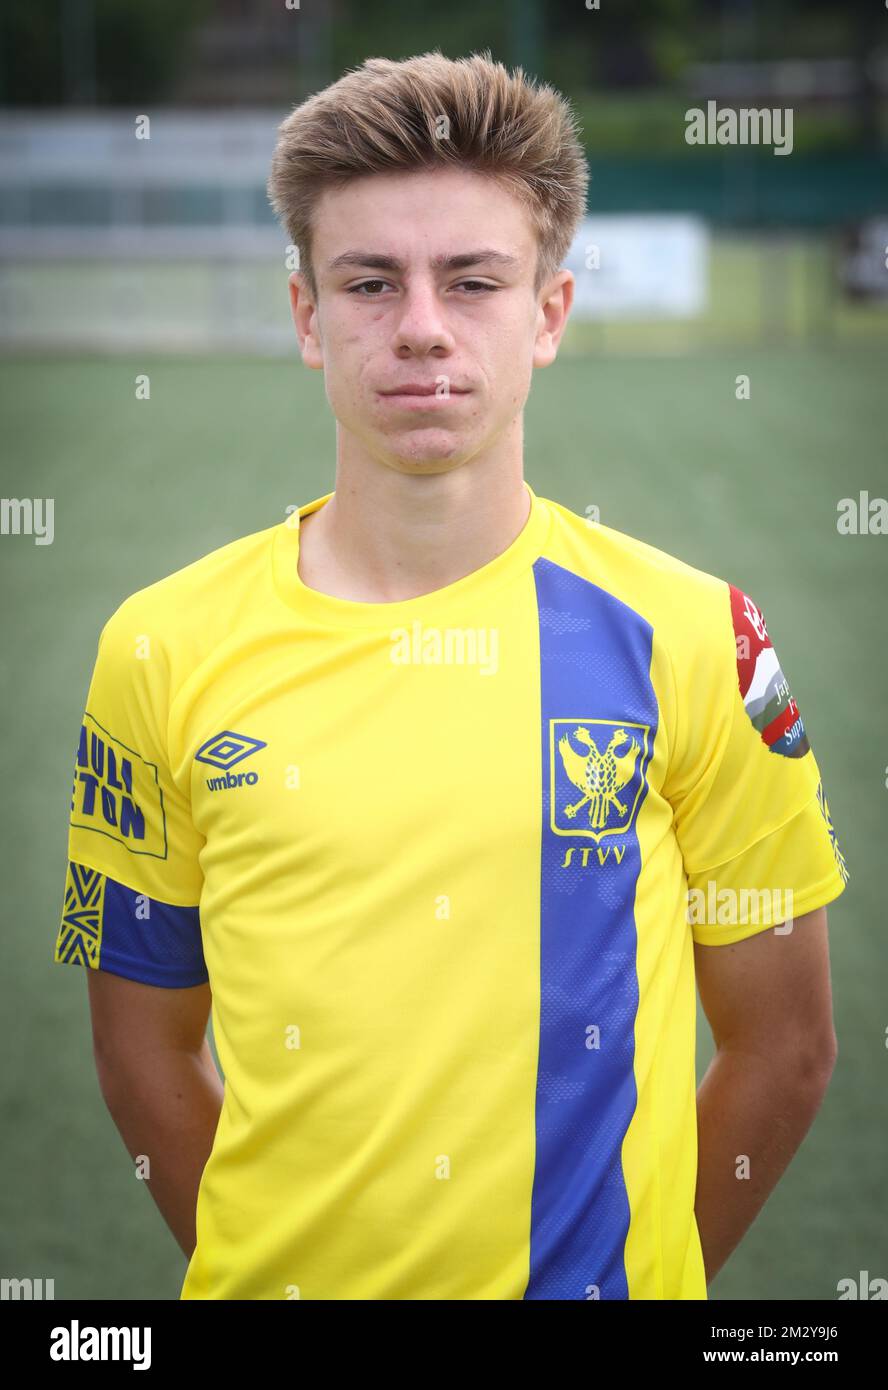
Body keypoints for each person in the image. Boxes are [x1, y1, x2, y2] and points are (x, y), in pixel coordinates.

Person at [54, 50, 849, 1301]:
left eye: (473, 280)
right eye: (370, 282)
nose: (421, 323)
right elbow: (141, 1052)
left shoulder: (700, 635)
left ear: (549, 312)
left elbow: (787, 1047)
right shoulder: (158, 645)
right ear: (308, 314)